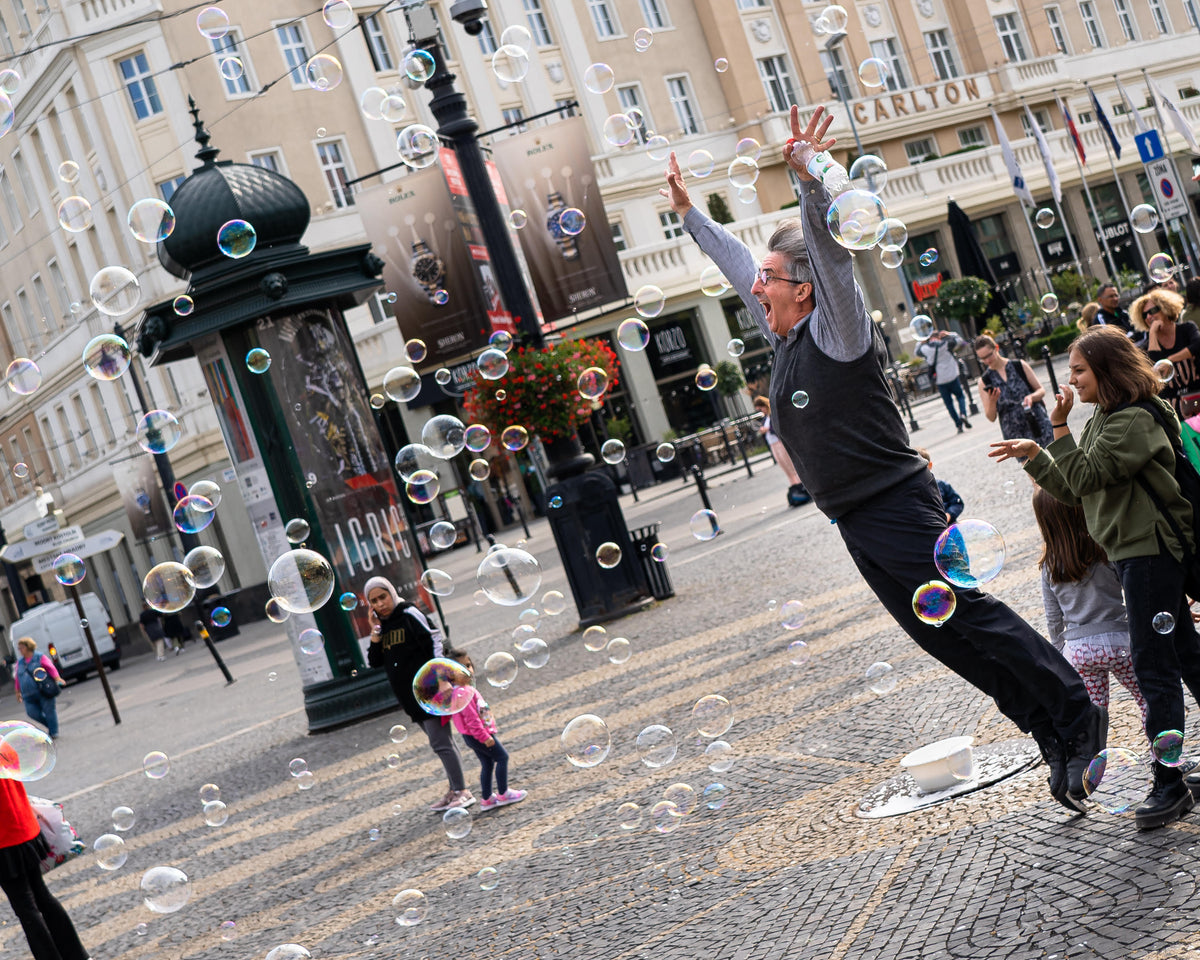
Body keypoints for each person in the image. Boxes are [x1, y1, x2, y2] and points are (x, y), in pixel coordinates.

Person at [663, 102, 1102, 812]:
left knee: (971, 615)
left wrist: (806, 178)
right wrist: (690, 216)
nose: (757, 290)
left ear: (802, 288)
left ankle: (1079, 715)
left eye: (771, 280)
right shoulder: (785, 341)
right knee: (948, 641)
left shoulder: (838, 331)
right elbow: (739, 263)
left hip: (896, 501)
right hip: (857, 519)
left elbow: (830, 254)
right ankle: (1047, 729)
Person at [991, 325, 1200, 829]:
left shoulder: (1132, 421)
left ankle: (1169, 786)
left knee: (1154, 668)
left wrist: (1058, 427)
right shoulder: (1109, 419)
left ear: (1106, 370)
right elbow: (1075, 491)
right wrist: (1037, 455)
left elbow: (1084, 476)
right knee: (1187, 655)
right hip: (1133, 552)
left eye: (1079, 370)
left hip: (1150, 551)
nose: (1072, 380)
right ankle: (1172, 779)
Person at [1031, 485, 1148, 741]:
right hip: (1120, 642)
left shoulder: (1049, 565)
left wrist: (1061, 653)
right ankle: (1161, 758)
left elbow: (1053, 619)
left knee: (1093, 716)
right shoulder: (1104, 549)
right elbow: (1132, 589)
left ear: (1045, 522)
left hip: (1080, 652)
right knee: (1146, 698)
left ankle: (1091, 773)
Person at [363, 575, 474, 812]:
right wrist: (375, 632)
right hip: (409, 696)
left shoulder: (408, 613)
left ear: (391, 593)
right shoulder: (382, 626)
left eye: (383, 596)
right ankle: (455, 788)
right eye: (374, 600)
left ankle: (462, 791)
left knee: (440, 742)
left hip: (431, 690)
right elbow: (374, 661)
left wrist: (442, 677)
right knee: (442, 742)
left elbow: (434, 639)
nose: (380, 603)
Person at [0, 762, 90, 960]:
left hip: (4, 839)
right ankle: (78, 956)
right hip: (24, 828)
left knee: (25, 908)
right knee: (41, 896)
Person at [446, 652, 526, 811]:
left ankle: (487, 799)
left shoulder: (465, 689)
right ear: (451, 675)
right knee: (503, 757)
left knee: (487, 763)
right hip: (479, 736)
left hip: (473, 736)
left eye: (468, 665)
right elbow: (472, 720)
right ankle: (503, 794)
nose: (467, 670)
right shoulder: (463, 693)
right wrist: (485, 737)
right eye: (461, 668)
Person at [975, 333, 1054, 453]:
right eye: (983, 359)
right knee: (1033, 470)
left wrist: (1031, 397)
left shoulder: (1019, 365)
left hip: (1037, 421)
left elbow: (1041, 390)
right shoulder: (984, 381)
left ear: (996, 348)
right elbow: (991, 417)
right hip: (1015, 433)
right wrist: (992, 402)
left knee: (1056, 461)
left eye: (989, 355)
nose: (987, 360)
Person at [1130, 288, 1200, 417]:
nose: (1149, 317)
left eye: (1153, 311)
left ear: (1166, 308)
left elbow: (1197, 346)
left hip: (1197, 400)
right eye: (1145, 315)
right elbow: (1155, 368)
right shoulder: (1147, 347)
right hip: (1174, 411)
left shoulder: (1187, 328)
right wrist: (1152, 334)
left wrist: (1170, 360)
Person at [915, 330, 972, 433]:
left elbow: (916, 352)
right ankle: (963, 414)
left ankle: (958, 424)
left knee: (949, 404)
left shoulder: (926, 348)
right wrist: (950, 334)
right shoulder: (947, 343)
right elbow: (959, 340)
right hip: (952, 376)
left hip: (940, 380)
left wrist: (921, 341)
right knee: (960, 396)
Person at [12, 639, 64, 740]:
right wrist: (17, 691)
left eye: (21, 647)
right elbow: (18, 677)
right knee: (32, 713)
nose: (20, 650)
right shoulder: (20, 662)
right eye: (19, 648)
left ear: (28, 647)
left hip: (43, 691)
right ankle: (51, 725)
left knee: (49, 711)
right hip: (27, 694)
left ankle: (53, 732)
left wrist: (57, 678)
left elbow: (50, 668)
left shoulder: (39, 657)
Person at [752, 396, 804, 491]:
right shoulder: (765, 419)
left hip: (779, 443)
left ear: (764, 405)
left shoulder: (773, 415)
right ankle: (794, 486)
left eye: (760, 408)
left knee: (790, 465)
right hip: (772, 444)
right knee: (784, 467)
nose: (761, 411)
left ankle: (801, 486)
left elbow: (778, 428)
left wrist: (768, 429)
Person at [914, 448, 963, 523]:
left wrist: (949, 514)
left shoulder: (941, 485)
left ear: (930, 465)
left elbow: (957, 503)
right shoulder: (913, 492)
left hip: (950, 528)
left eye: (921, 468)